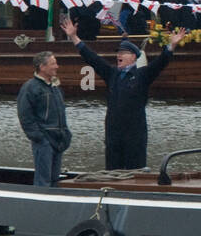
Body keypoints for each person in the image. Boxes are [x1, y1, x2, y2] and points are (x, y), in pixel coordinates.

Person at [61, 16, 186, 171]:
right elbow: (92, 58)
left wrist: (171, 46)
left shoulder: (142, 75)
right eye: (118, 52)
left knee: (135, 171)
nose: (119, 55)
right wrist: (74, 37)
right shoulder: (112, 74)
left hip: (134, 134)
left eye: (123, 53)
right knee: (113, 170)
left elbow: (160, 63)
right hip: (114, 132)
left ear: (133, 57)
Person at [17, 50, 71, 187]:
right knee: (43, 180)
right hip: (44, 141)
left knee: (54, 180)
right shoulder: (30, 87)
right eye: (53, 63)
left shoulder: (55, 87)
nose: (57, 66)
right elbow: (25, 116)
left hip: (58, 140)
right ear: (42, 67)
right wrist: (39, 137)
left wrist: (66, 134)